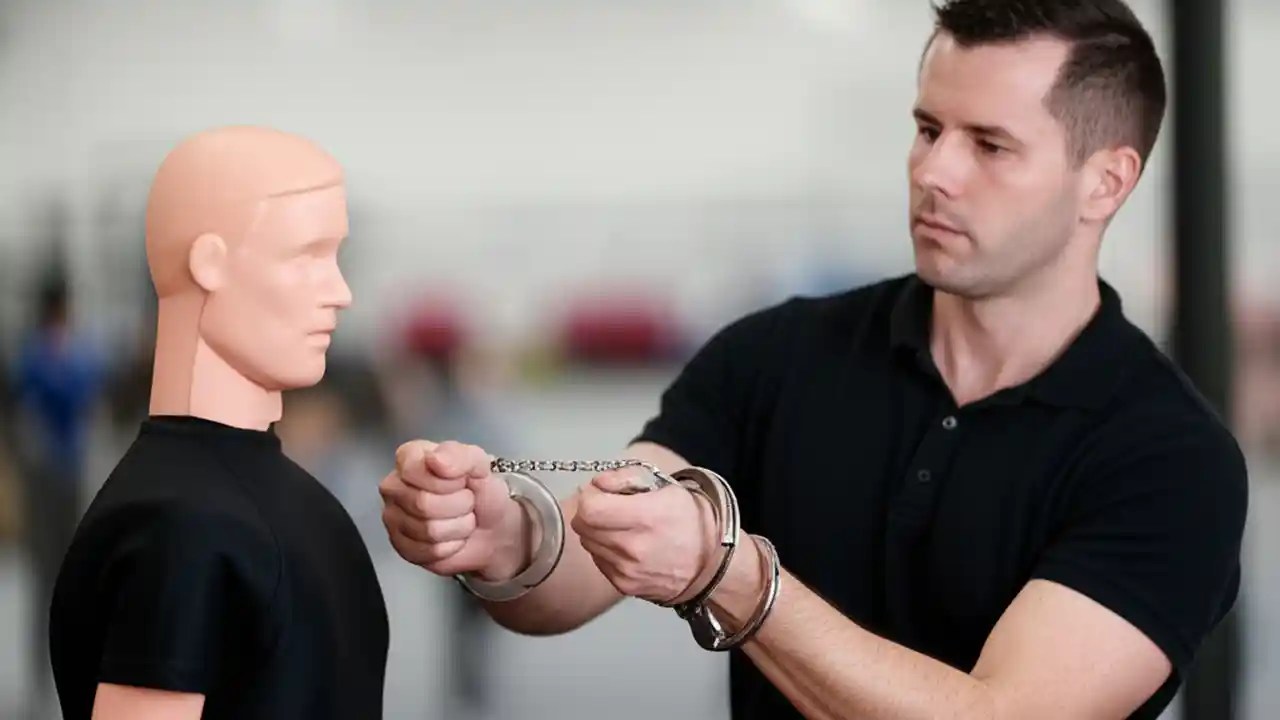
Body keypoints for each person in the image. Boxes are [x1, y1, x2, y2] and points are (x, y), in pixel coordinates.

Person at [378, 1, 1248, 718]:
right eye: (926, 127)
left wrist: (733, 575)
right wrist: (510, 540)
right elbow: (592, 550)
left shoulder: (1170, 459)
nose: (932, 171)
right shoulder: (778, 354)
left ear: (1107, 181)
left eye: (988, 144)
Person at [49, 126, 388, 720]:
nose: (340, 292)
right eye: (307, 255)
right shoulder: (179, 528)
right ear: (210, 264)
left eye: (335, 258)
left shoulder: (289, 506)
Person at [11, 273, 104, 711]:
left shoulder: (68, 352)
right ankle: (41, 677)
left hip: (63, 472)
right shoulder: (41, 355)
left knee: (62, 575)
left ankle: (58, 673)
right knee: (49, 576)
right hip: (51, 474)